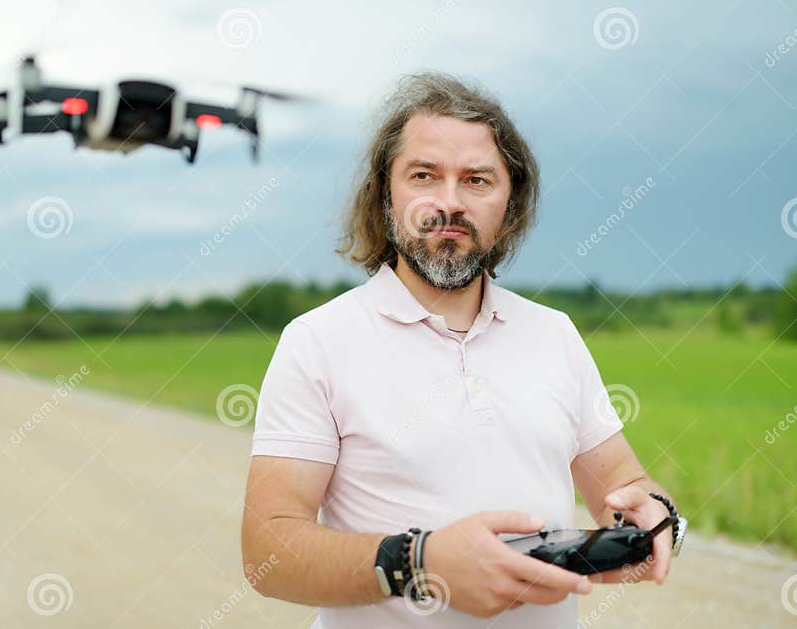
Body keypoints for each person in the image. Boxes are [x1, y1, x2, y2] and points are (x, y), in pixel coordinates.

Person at [241, 73, 683, 628]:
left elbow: (625, 483)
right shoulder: (317, 342)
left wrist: (653, 517)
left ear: (510, 204)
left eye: (477, 180)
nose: (449, 203)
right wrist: (420, 562)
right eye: (424, 175)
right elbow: (268, 552)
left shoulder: (555, 334)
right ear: (386, 194)